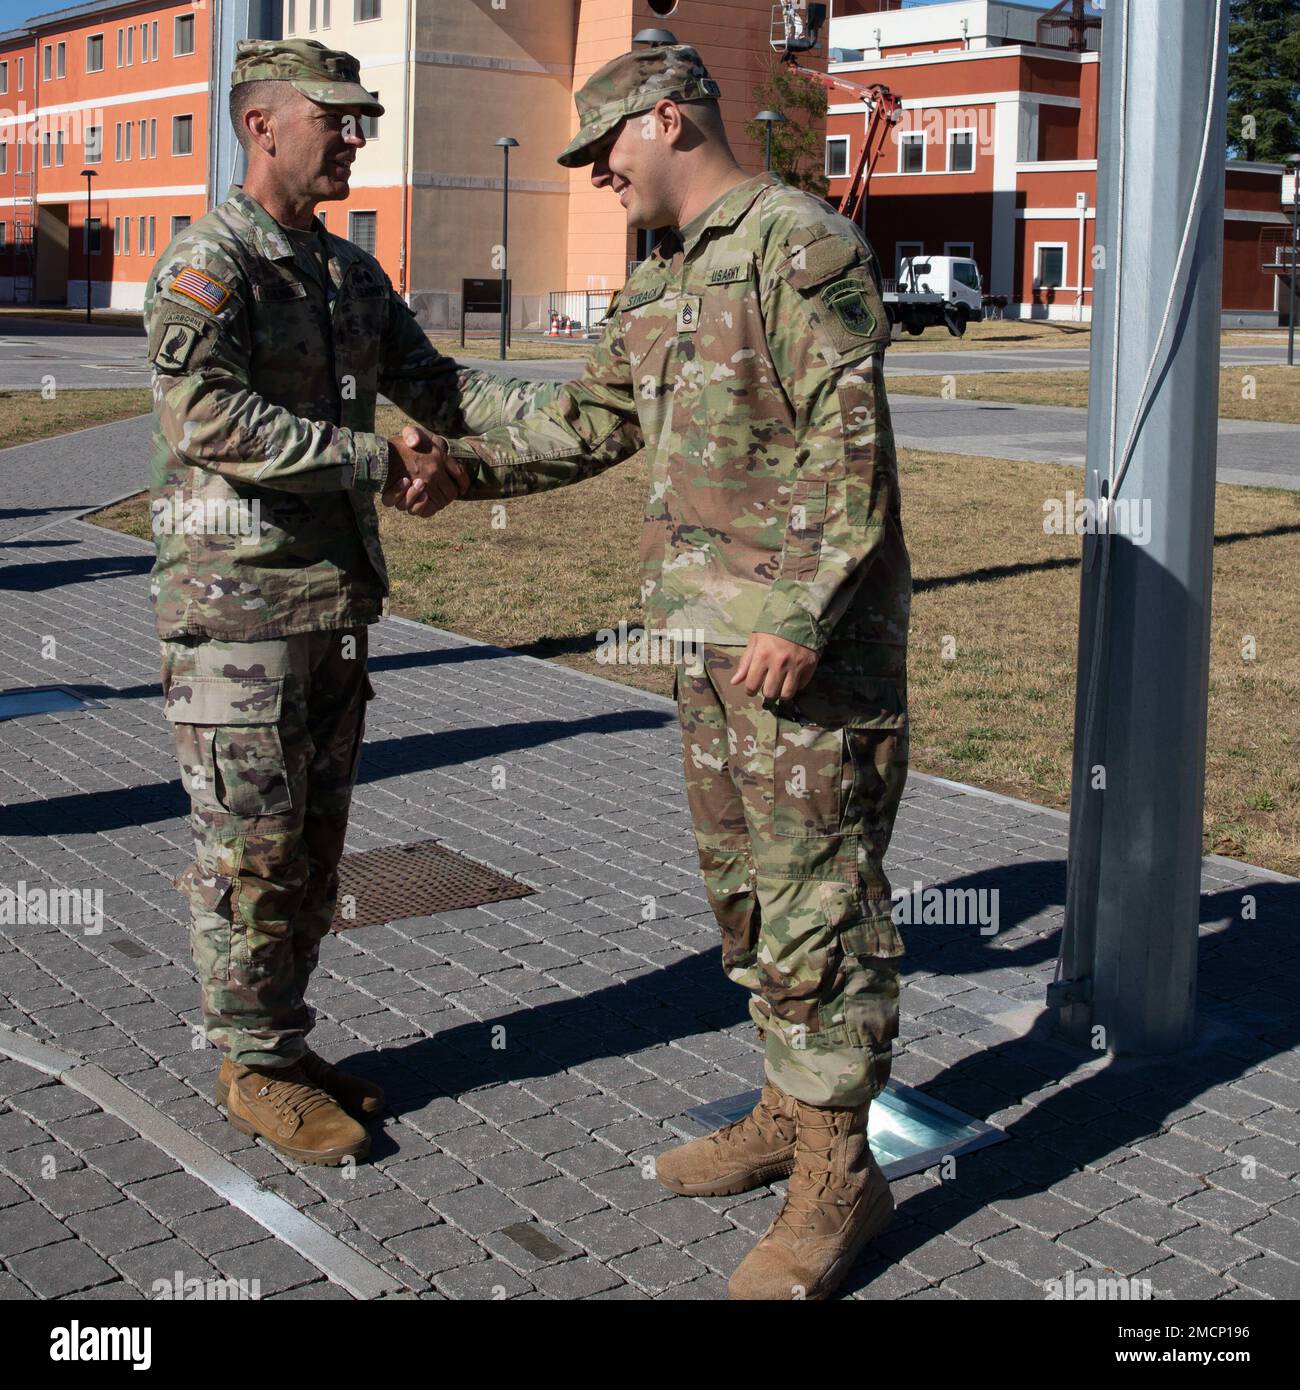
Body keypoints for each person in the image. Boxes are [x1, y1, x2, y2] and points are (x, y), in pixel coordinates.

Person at [395, 44, 912, 1299]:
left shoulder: (800, 246)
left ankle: (841, 1172)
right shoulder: (662, 278)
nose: (594, 175)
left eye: (602, 150)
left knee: (819, 906)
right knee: (743, 896)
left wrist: (797, 610)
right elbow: (588, 422)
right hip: (698, 640)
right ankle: (786, 1113)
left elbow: (851, 454)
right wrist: (460, 468)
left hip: (803, 656)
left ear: (666, 119)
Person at [146, 38, 551, 1166]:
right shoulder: (209, 265)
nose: (359, 137)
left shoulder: (344, 272)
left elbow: (446, 387)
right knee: (250, 856)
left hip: (330, 609)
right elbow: (207, 420)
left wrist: (599, 406)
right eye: (340, 117)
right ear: (262, 123)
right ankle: (252, 1065)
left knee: (316, 853)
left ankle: (279, 1040)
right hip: (236, 620)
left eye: (364, 116)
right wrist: (379, 458)